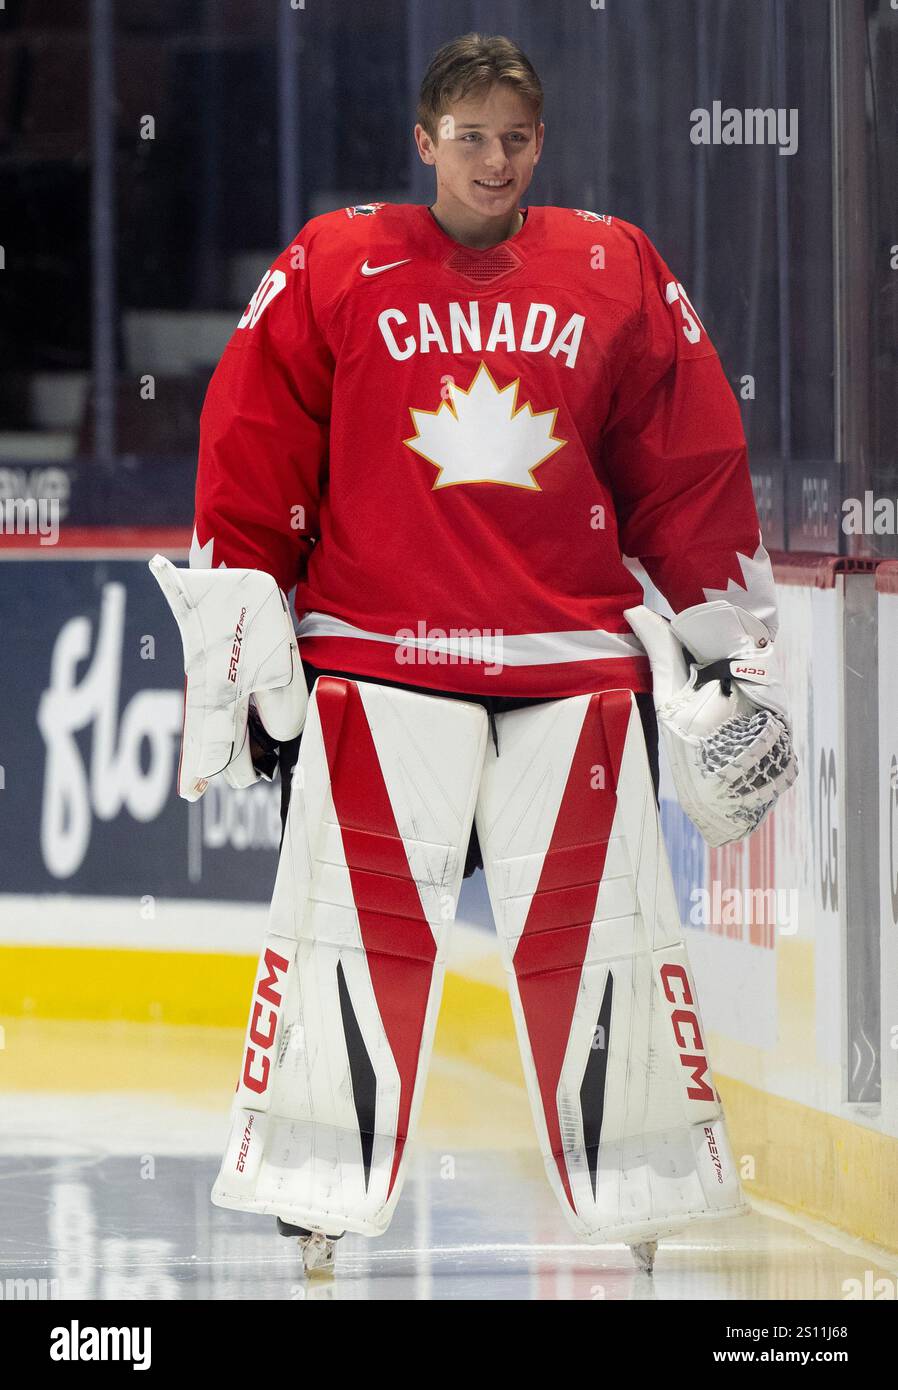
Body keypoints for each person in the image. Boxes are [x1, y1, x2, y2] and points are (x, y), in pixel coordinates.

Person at [155, 32, 796, 1277]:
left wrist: (724, 649)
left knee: (608, 942)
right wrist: (242, 628)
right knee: (346, 940)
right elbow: (254, 437)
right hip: (377, 664)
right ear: (423, 142)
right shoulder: (338, 260)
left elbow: (687, 458)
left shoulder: (612, 263)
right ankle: (314, 1184)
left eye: (512, 138)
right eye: (468, 138)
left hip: (572, 666)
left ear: (538, 143)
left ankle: (643, 1184)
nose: (491, 160)